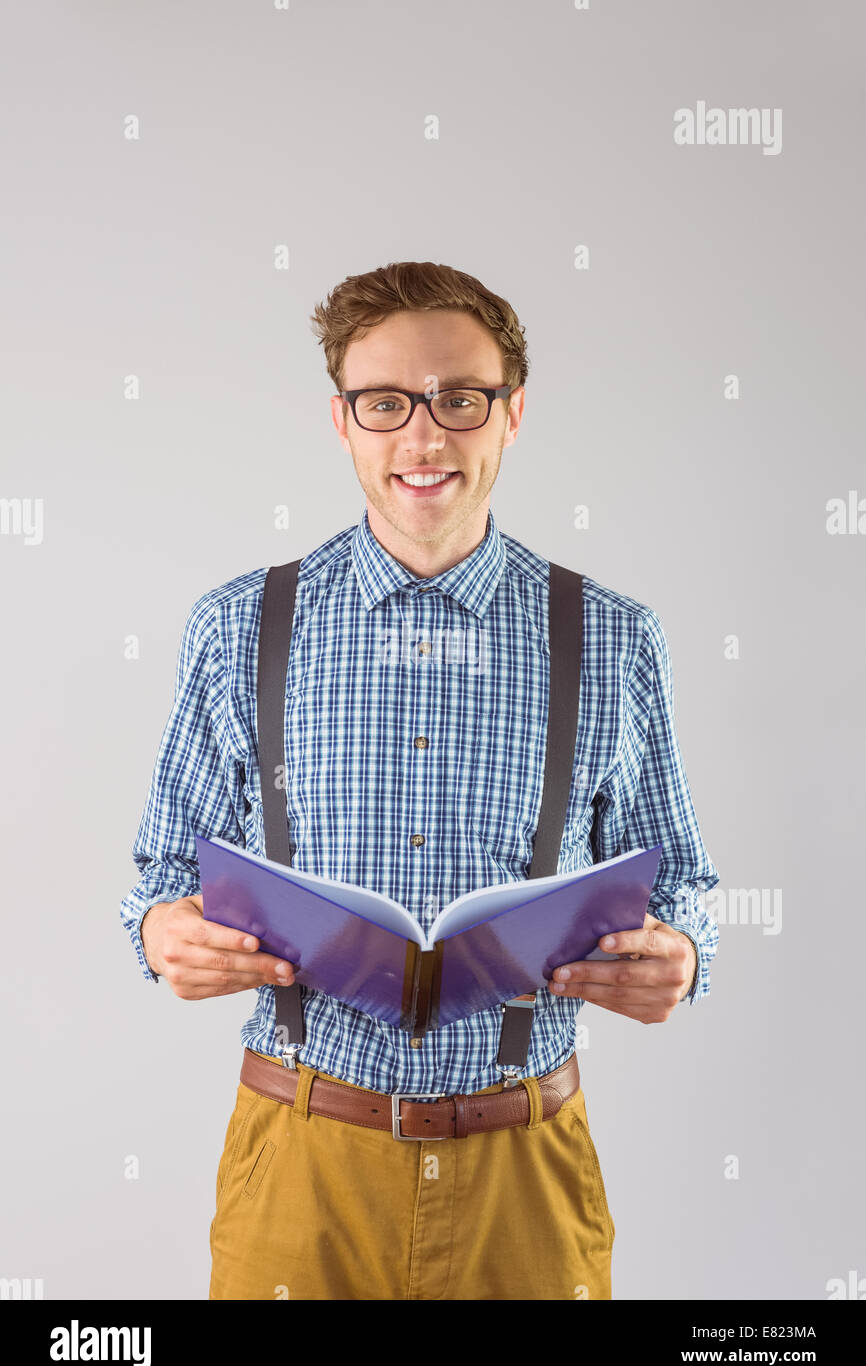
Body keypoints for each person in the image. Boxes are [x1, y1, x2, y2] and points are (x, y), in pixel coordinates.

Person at [120, 260, 719, 1301]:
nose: (424, 436)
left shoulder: (613, 638)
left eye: (459, 398)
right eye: (386, 402)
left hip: (524, 1168)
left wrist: (680, 956)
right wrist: (159, 932)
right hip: (301, 1161)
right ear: (342, 421)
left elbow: (684, 892)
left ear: (511, 413)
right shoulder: (237, 627)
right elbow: (162, 871)